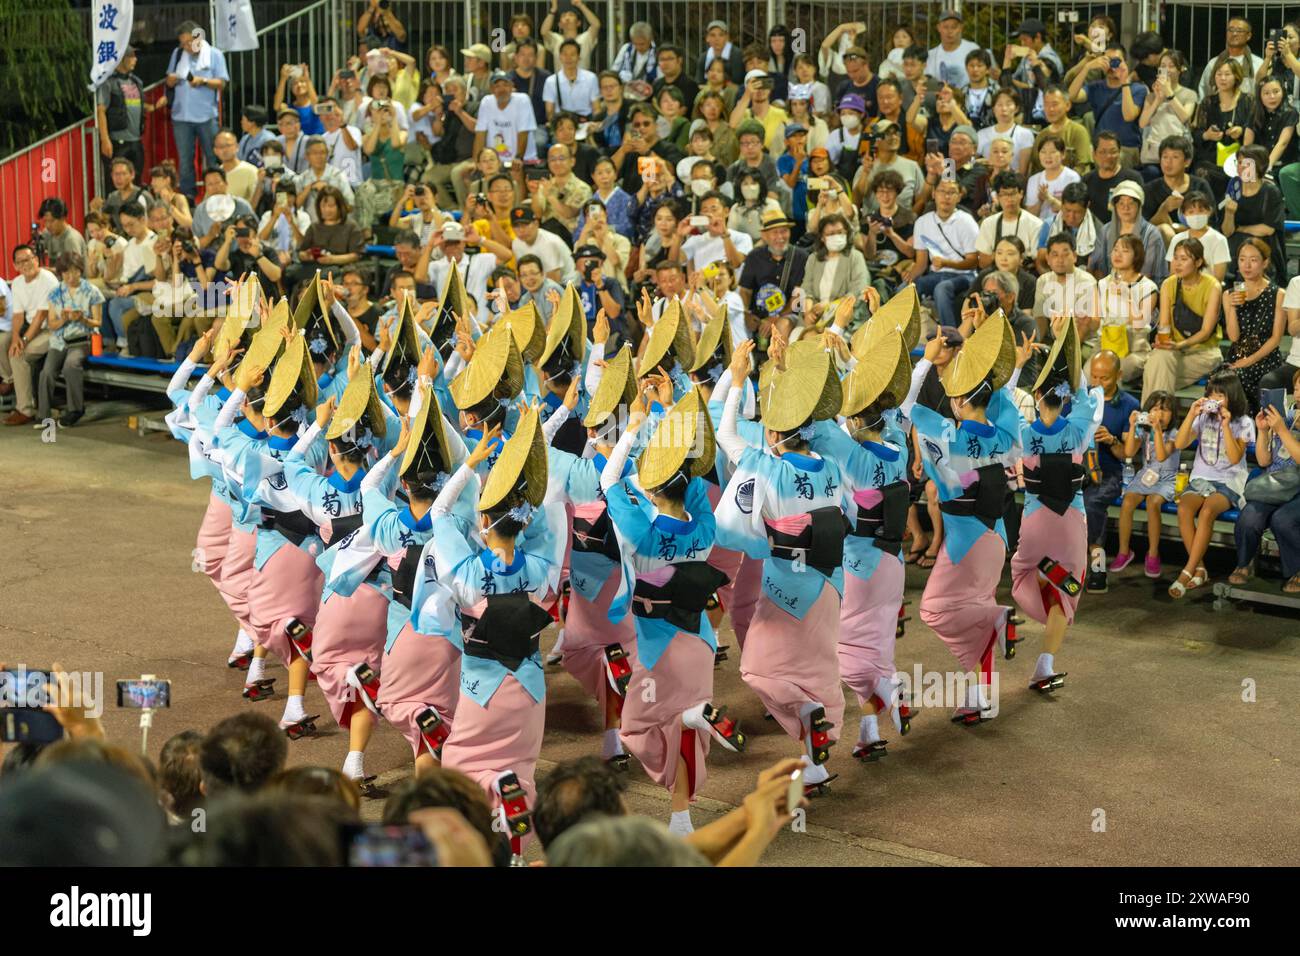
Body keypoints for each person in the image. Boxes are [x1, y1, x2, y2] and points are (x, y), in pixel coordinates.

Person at [911, 312, 1034, 719]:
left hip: (965, 542)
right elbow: (1000, 399)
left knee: (934, 609)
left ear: (962, 401)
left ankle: (997, 619)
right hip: (996, 536)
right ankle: (980, 698)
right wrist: (1007, 368)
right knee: (973, 620)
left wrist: (927, 361)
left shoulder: (949, 439)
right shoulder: (1005, 435)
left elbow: (909, 407)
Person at [1011, 316, 1102, 692]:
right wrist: (1073, 347)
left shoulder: (1021, 432)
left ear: (1035, 397)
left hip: (1034, 518)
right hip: (1070, 520)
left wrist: (1017, 367)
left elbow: (1000, 402)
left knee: (1021, 572)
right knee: (1067, 592)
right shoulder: (1079, 429)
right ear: (1063, 397)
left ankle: (1041, 577)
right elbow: (1088, 396)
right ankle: (1045, 664)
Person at [1169, 371, 1256, 597]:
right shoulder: (1202, 417)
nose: (1215, 400)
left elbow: (1235, 457)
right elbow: (1179, 443)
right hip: (1201, 477)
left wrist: (1226, 425)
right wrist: (1191, 413)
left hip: (1229, 480)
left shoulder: (1244, 422)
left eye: (1221, 395)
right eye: (1212, 395)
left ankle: (1188, 570)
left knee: (1207, 511)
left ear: (1232, 396)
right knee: (1184, 509)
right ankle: (1200, 568)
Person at [1230, 370, 1300, 593]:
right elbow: (1263, 459)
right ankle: (1244, 564)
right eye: (1297, 387)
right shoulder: (1285, 415)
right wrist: (1263, 432)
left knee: (1283, 520)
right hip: (1276, 484)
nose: (1298, 393)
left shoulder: (1282, 423)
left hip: (1298, 489)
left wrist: (1280, 429)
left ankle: (1296, 570)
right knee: (1249, 518)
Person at [1080, 349, 1140, 591]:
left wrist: (1112, 440)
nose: (1098, 382)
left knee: (1091, 504)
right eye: (1094, 377)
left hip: (1110, 471)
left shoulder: (1129, 406)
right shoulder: (1080, 400)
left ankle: (1097, 567)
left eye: (1104, 378)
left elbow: (1127, 453)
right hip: (1079, 466)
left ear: (1118, 375)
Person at [1139, 238, 1223, 405]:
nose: (1177, 263)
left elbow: (1206, 332)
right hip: (1173, 351)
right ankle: (1160, 419)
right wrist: (1163, 341)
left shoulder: (1212, 286)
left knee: (1155, 371)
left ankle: (1148, 419)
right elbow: (1164, 326)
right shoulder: (1168, 284)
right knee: (1160, 357)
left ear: (1198, 262)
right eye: (1175, 258)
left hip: (1203, 352)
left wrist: (1180, 345)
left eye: (1184, 259)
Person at [1111, 390, 1178, 578]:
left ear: (1173, 414)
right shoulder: (1144, 430)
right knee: (1128, 502)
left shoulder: (1174, 433)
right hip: (1146, 474)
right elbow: (1130, 452)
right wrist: (1133, 426)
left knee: (1152, 503)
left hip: (1167, 477)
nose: (1159, 414)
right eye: (1155, 409)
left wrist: (1157, 430)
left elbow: (1163, 454)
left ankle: (1153, 554)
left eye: (1164, 410)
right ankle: (1124, 551)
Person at [35, 252, 103, 429]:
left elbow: (98, 322)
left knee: (71, 365)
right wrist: (64, 319)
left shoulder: (92, 291)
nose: (70, 277)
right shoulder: (55, 292)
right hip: (59, 340)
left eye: (74, 272)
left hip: (82, 339)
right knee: (47, 372)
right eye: (66, 273)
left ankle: (75, 410)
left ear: (80, 270)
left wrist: (82, 319)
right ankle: (44, 414)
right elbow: (51, 323)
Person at [164, 21, 229, 200]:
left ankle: (216, 194)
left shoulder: (215, 55)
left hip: (206, 116)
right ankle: (189, 197)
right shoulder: (178, 54)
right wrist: (173, 79)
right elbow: (168, 80)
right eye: (182, 43)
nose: (185, 47)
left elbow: (222, 83)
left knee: (212, 157)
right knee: (185, 160)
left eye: (188, 43)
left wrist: (203, 81)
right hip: (181, 116)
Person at [904, 177, 980, 329]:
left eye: (952, 192)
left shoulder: (966, 221)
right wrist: (910, 276)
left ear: (959, 196)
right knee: (904, 290)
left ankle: (950, 338)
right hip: (935, 274)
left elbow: (973, 261)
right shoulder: (923, 222)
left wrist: (947, 263)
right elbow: (921, 263)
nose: (946, 196)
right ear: (933, 193)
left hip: (964, 275)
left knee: (942, 288)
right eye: (942, 191)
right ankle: (901, 334)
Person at [1223, 238, 1285, 410]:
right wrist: (1233, 308)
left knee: (1240, 376)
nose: (1246, 266)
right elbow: (1234, 337)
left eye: (1253, 260)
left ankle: (1252, 432)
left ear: (1265, 263)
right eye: (1242, 259)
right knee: (1219, 379)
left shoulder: (1278, 294)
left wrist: (1248, 361)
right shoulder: (1229, 294)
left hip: (1265, 357)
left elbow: (1276, 338)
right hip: (1237, 355)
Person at [2, 245, 59, 426]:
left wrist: (24, 340)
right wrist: (17, 337)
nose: (25, 264)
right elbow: (18, 315)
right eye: (20, 262)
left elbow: (41, 314)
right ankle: (17, 391)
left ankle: (24, 409)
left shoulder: (47, 279)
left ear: (36, 259)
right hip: (35, 327)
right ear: (15, 266)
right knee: (10, 346)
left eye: (28, 259)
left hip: (55, 329)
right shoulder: (18, 282)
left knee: (19, 355)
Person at [1068, 44, 1147, 169]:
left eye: (1116, 61)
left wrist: (1124, 81)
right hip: (1102, 148)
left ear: (1125, 63)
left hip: (1126, 149)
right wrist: (1087, 67)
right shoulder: (1095, 87)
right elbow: (1072, 96)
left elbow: (1129, 116)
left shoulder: (1138, 89)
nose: (1112, 66)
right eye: (1107, 61)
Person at [1222, 144, 1288, 284]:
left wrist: (1241, 229)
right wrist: (1229, 214)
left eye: (1246, 164)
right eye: (1239, 163)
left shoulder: (1271, 192)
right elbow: (1227, 232)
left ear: (1259, 166)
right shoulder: (1234, 189)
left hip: (1263, 246)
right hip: (1236, 248)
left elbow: (1268, 229)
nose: (1241, 167)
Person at [1191, 60, 1252, 198]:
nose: (1222, 78)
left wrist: (1241, 132)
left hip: (1239, 156)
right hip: (1212, 156)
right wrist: (1207, 135)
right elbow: (1196, 134)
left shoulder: (1248, 101)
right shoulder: (1207, 102)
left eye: (1227, 74)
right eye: (1219, 74)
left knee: (1249, 169)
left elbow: (1256, 130)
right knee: (1202, 170)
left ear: (1236, 76)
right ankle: (1208, 214)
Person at [1089, 180, 1167, 282]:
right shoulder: (1105, 231)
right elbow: (1096, 266)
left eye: (1131, 203)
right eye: (1121, 203)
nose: (1125, 208)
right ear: (1115, 206)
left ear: (1139, 206)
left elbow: (1148, 274)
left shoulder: (1151, 233)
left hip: (1142, 289)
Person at [1144, 137, 1215, 247]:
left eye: (1175, 157)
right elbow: (1146, 228)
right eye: (1165, 157)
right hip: (1163, 243)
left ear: (1187, 162)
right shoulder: (1150, 188)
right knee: (1164, 229)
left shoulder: (1200, 185)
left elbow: (1211, 221)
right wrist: (1164, 209)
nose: (1168, 162)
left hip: (1197, 238)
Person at [95, 45, 155, 176]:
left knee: (137, 179)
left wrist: (154, 106)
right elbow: (101, 111)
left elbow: (134, 104)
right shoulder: (108, 83)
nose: (135, 59)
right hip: (118, 142)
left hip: (136, 141)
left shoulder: (136, 82)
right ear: (120, 59)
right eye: (131, 56)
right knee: (116, 181)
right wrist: (105, 139)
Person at [1138, 51, 1198, 174]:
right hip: (1154, 154)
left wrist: (1169, 93)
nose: (1167, 70)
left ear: (1180, 69)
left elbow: (1185, 118)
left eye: (1171, 66)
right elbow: (1142, 123)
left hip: (1178, 152)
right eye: (1163, 66)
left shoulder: (1189, 94)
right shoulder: (1151, 96)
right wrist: (1157, 100)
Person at [975, 171, 1043, 269]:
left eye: (1013, 194)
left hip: (1023, 273)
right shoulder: (988, 223)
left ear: (1021, 194)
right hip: (995, 274)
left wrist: (998, 255)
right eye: (1004, 194)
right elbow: (983, 262)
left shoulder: (1036, 224)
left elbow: (1037, 261)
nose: (1009, 199)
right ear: (998, 197)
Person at [1243, 76, 1299, 179]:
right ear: (1260, 95)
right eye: (1266, 93)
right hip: (1259, 163)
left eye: (1276, 91)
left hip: (1283, 165)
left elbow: (1282, 143)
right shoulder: (1255, 112)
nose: (1272, 96)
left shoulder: (1290, 113)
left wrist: (1267, 167)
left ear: (1283, 92)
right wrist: (1248, 165)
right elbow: (1247, 143)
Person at [1198, 18, 1265, 100]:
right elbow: (1204, 92)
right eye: (1231, 29)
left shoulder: (1258, 63)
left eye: (1239, 30)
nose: (1234, 33)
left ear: (1248, 36)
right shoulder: (1214, 63)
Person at [977, 89, 1035, 177]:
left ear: (1016, 108)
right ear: (993, 109)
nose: (1004, 109)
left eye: (1008, 104)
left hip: (1012, 183)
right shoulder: (981, 134)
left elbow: (1023, 172)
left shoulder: (1025, 134)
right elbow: (974, 164)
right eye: (999, 105)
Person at [541, 0, 602, 71]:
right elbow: (544, 32)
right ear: (560, 25)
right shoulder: (556, 39)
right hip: (561, 81)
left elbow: (596, 25)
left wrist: (581, 5)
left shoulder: (586, 38)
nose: (567, 18)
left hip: (583, 80)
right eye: (563, 16)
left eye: (571, 15)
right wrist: (553, 9)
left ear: (578, 23)